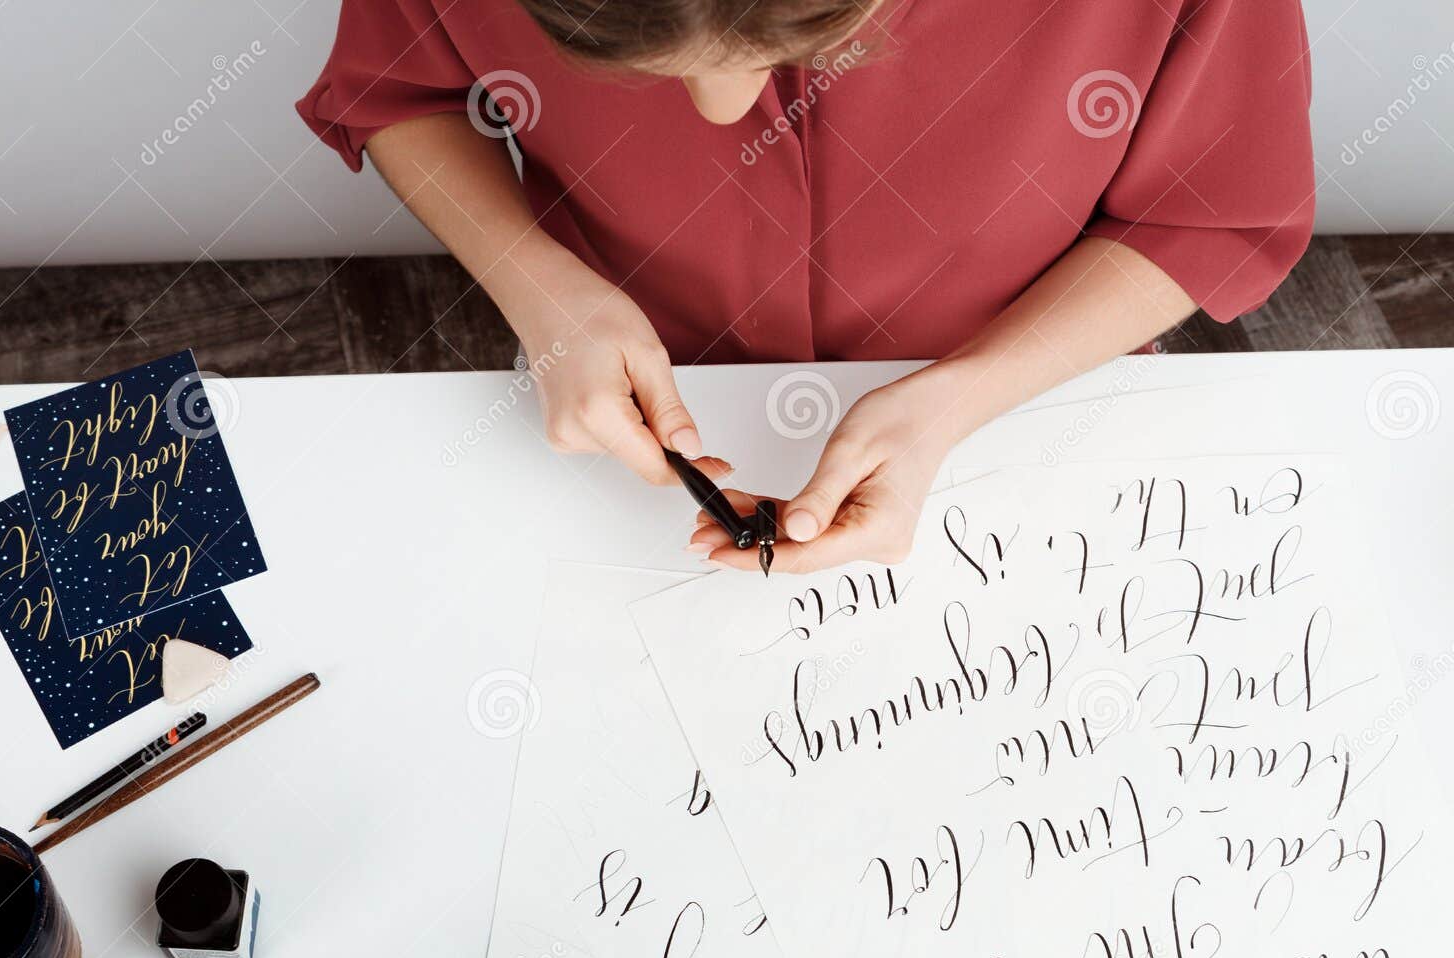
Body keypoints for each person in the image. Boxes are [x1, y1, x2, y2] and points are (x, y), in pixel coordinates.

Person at [299, 0, 1315, 573]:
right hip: (591, 459)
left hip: (1039, 427)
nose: (717, 108)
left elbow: (1205, 211)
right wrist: (537, 287)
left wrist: (958, 398)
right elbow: (401, 91)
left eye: (786, 45)